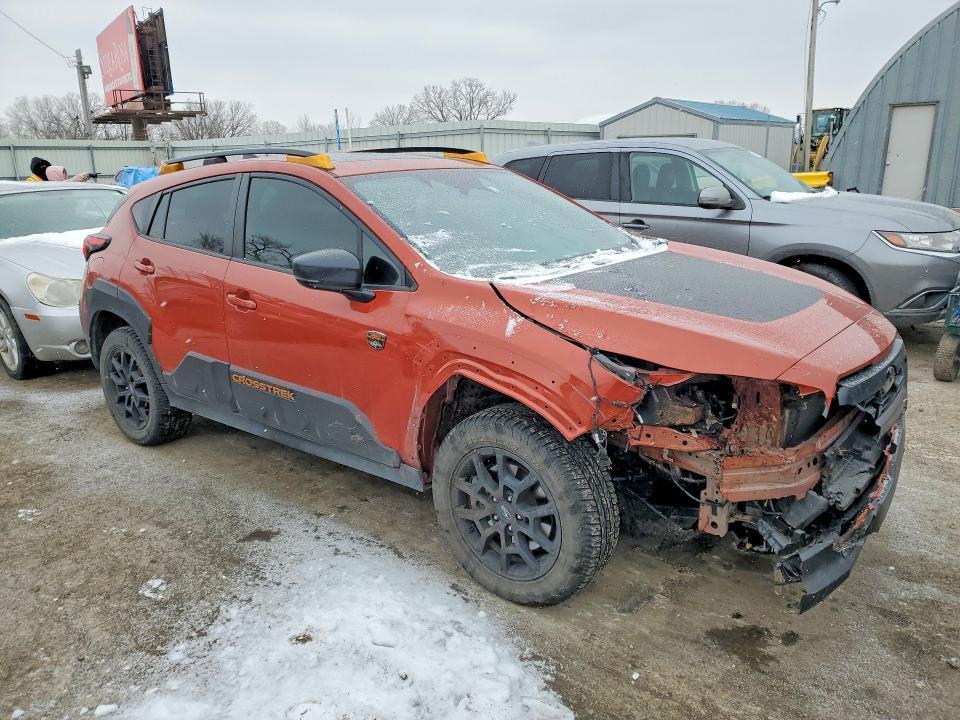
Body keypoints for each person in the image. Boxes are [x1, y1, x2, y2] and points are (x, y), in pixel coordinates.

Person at [25, 156, 92, 182]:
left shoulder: (54, 181)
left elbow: (70, 181)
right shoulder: (31, 182)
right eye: (41, 168)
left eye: (46, 167)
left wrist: (86, 175)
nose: (44, 170)